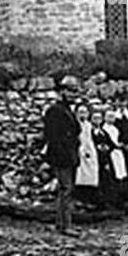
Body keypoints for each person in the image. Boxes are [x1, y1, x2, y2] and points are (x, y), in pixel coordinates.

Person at [42, 79, 82, 234]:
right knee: (66, 190)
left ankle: (62, 223)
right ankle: (66, 225)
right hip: (62, 156)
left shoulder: (67, 110)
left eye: (74, 92)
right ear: (62, 91)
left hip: (69, 154)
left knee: (65, 190)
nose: (73, 95)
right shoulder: (55, 111)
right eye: (70, 91)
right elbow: (52, 137)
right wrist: (61, 155)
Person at [89, 108, 128, 208]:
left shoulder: (104, 132)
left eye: (99, 118)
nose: (97, 121)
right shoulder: (91, 131)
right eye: (95, 118)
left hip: (108, 155)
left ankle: (113, 200)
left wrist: (112, 146)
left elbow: (110, 142)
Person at [73, 104, 100, 206]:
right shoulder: (75, 125)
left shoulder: (89, 125)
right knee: (81, 174)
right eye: (80, 112)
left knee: (91, 173)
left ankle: (90, 198)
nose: (82, 115)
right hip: (80, 149)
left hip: (90, 150)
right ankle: (80, 199)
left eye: (84, 112)